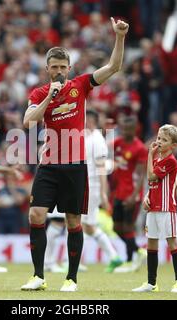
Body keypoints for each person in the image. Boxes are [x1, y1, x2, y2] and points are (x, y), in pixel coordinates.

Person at [21, 17, 129, 292]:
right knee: (36, 215)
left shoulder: (81, 85)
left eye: (62, 67)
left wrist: (119, 36)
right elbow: (28, 122)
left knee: (73, 221)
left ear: (69, 68)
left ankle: (71, 279)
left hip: (74, 164)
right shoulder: (40, 92)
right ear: (47, 69)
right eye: (54, 67)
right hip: (48, 164)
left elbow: (114, 67)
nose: (58, 71)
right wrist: (50, 98)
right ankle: (38, 276)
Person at [44, 110, 122, 273]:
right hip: (76, 184)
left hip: (90, 187)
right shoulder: (79, 137)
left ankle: (67, 260)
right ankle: (113, 256)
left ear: (90, 122)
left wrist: (103, 193)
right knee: (86, 225)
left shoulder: (97, 140)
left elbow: (101, 169)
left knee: (76, 222)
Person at [132, 124, 177, 293]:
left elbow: (151, 175)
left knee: (172, 242)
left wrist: (149, 154)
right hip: (153, 207)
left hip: (166, 208)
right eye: (159, 138)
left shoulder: (170, 161)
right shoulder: (157, 159)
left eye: (164, 140)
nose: (159, 142)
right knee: (151, 243)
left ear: (174, 145)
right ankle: (151, 283)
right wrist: (147, 197)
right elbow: (153, 183)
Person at [110, 116, 148, 273]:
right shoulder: (117, 144)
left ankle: (129, 260)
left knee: (128, 226)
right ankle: (139, 251)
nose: (125, 131)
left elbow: (140, 175)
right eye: (123, 128)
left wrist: (134, 195)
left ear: (135, 129)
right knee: (116, 227)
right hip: (118, 193)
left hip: (131, 194)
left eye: (128, 129)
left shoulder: (139, 148)